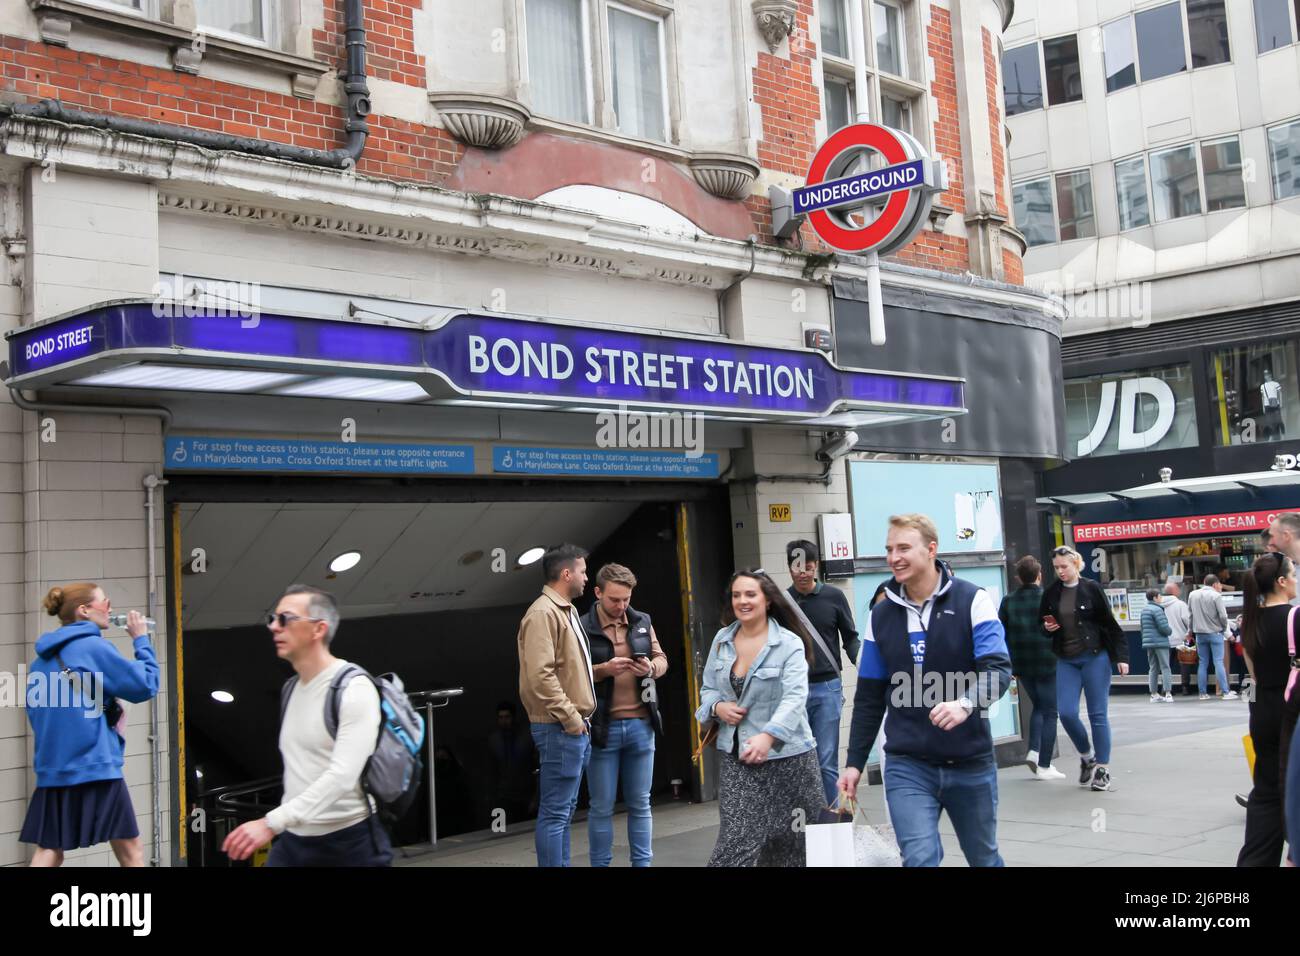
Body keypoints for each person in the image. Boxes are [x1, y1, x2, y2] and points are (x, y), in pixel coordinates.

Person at [839, 514, 1012, 867]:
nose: (893, 557)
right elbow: (870, 696)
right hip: (908, 763)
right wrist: (854, 763)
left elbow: (998, 669)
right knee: (919, 858)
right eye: (889, 549)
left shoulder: (972, 600)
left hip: (969, 760)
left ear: (931, 549)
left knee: (983, 856)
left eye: (904, 547)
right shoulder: (881, 615)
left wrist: (965, 703)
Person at [223, 585, 389, 866]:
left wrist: (270, 823)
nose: (274, 627)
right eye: (272, 619)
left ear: (318, 629)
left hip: (349, 845)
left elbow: (342, 776)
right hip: (294, 842)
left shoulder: (353, 689)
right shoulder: (291, 688)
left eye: (285, 619)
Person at [21, 583, 160, 867]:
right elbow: (146, 685)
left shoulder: (40, 663)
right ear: (84, 610)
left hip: (53, 771)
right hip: (96, 767)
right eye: (105, 602)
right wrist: (141, 640)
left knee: (49, 850)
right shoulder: (93, 648)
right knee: (131, 850)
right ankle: (139, 910)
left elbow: (37, 715)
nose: (110, 608)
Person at [697, 570, 823, 867]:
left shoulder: (789, 643)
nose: (742, 601)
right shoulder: (721, 640)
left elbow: (794, 697)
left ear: (767, 600)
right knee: (735, 845)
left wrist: (769, 736)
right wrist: (717, 708)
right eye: (736, 595)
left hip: (791, 760)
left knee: (793, 848)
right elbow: (708, 689)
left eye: (750, 594)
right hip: (738, 759)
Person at [580, 562, 667, 867]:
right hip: (603, 727)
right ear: (597, 592)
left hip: (642, 724)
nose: (621, 606)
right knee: (601, 807)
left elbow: (661, 658)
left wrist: (652, 668)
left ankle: (642, 864)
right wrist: (602, 670)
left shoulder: (641, 620)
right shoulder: (581, 626)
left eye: (626, 599)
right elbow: (570, 674)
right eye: (614, 600)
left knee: (641, 804)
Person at [516, 543, 595, 868]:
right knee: (555, 813)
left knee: (563, 811)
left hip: (571, 726)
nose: (586, 578)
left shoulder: (565, 609)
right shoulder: (543, 613)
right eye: (582, 571)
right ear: (566, 574)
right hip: (559, 727)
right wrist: (571, 718)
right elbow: (540, 675)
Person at [1040, 546, 1129, 792]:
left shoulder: (1091, 588)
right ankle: (1087, 756)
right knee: (1066, 712)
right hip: (1066, 659)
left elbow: (1110, 624)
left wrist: (1121, 656)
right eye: (1056, 567)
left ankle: (1102, 769)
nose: (1060, 571)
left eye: (1064, 567)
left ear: (1076, 564)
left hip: (1094, 657)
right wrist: (1046, 628)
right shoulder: (1051, 593)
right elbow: (1042, 624)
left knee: (1097, 715)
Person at [786, 538, 860, 805]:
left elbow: (850, 637)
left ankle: (833, 822)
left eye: (807, 566)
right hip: (792, 691)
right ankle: (803, 822)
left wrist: (861, 663)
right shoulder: (782, 603)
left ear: (815, 565)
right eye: (797, 567)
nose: (803, 573)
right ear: (789, 568)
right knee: (797, 760)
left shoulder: (834, 596)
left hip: (827, 687)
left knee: (826, 759)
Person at [1235, 552, 1296, 866]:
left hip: (1261, 708)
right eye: (1293, 574)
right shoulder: (1294, 617)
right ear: (1282, 581)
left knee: (1267, 788)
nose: (1296, 580)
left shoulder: (1248, 620)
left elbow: (1253, 675)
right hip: (1291, 711)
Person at [998, 556, 1064, 779]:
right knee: (1051, 711)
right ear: (1040, 575)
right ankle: (1044, 764)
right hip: (1048, 661)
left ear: (1018, 578)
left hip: (1021, 664)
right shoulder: (1049, 598)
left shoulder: (1008, 601)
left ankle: (1034, 751)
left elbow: (1001, 634)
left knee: (1038, 706)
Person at [484, 701, 535, 827]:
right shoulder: (494, 740)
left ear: (513, 718)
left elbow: (533, 764)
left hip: (524, 792)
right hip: (503, 794)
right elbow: (491, 770)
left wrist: (535, 797)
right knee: (501, 829)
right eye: (501, 718)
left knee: (525, 828)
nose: (504, 721)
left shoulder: (526, 737)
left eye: (507, 717)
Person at [1189, 575, 1238, 700]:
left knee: (1203, 663)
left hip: (1200, 633)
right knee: (1218, 662)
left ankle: (1202, 693)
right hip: (1215, 633)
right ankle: (1225, 692)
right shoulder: (1216, 596)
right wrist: (1225, 631)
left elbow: (1190, 615)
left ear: (1204, 582)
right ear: (1215, 584)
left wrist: (1190, 631)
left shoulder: (1192, 595)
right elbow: (1222, 616)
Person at [1160, 581, 1194, 696]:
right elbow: (1188, 621)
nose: (1180, 590)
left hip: (1165, 640)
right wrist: (1189, 633)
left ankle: (1165, 688)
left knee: (1166, 665)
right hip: (1183, 638)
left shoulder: (1158, 605)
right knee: (1185, 663)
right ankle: (1185, 687)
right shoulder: (1181, 604)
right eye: (1178, 588)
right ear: (1174, 591)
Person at [1139, 589, 1174, 702]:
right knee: (1165, 667)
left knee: (1153, 668)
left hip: (1149, 643)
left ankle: (1154, 694)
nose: (1161, 598)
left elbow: (1142, 628)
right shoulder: (1158, 610)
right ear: (1155, 597)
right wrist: (1170, 631)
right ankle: (1168, 693)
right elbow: (1164, 627)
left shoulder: (1144, 610)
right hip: (1160, 642)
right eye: (1160, 596)